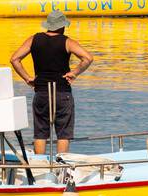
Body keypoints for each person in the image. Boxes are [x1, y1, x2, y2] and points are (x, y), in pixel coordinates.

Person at [9, 9, 95, 154]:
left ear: (48, 25)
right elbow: (88, 58)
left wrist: (27, 78)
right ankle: (61, 166)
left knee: (40, 133)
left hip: (41, 92)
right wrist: (74, 73)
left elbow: (14, 59)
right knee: (63, 134)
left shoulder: (33, 39)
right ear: (62, 26)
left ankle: (39, 166)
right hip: (62, 92)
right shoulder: (67, 42)